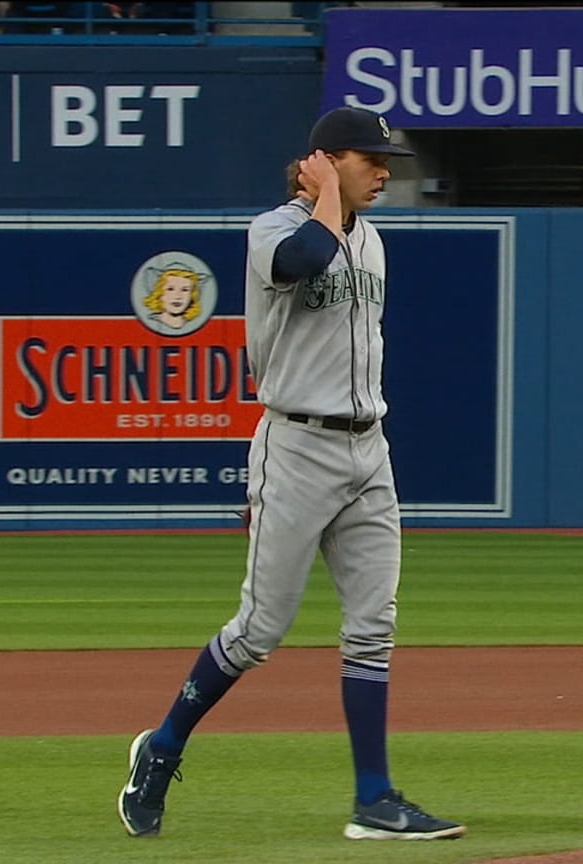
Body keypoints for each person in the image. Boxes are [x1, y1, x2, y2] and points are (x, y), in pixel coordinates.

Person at [117, 106, 466, 842]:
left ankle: (374, 799)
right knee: (259, 631)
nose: (383, 172)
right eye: (368, 160)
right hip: (296, 445)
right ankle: (164, 744)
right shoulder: (272, 230)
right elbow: (305, 260)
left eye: (386, 162)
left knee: (373, 628)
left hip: (369, 447)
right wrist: (325, 198)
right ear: (324, 160)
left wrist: (337, 201)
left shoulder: (372, 241)